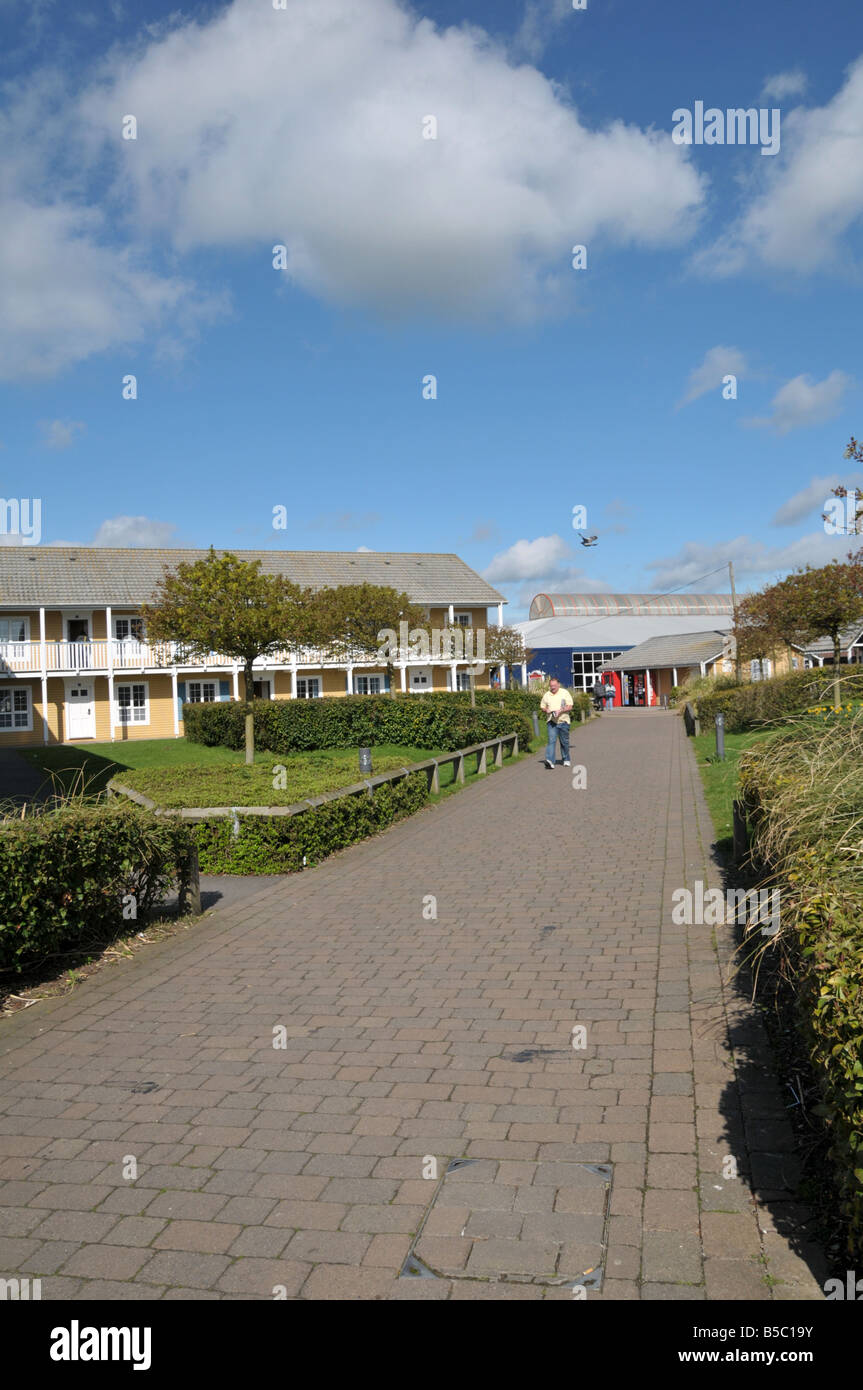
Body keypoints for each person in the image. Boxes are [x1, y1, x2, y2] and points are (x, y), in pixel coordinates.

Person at [540, 676, 573, 768]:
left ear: (558, 685)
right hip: (552, 722)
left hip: (563, 721)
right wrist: (546, 710)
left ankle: (566, 759)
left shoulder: (565, 693)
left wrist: (560, 711)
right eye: (551, 686)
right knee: (551, 741)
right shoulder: (547, 695)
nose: (553, 688)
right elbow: (542, 706)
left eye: (554, 685)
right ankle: (550, 761)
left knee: (564, 742)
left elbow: (570, 706)